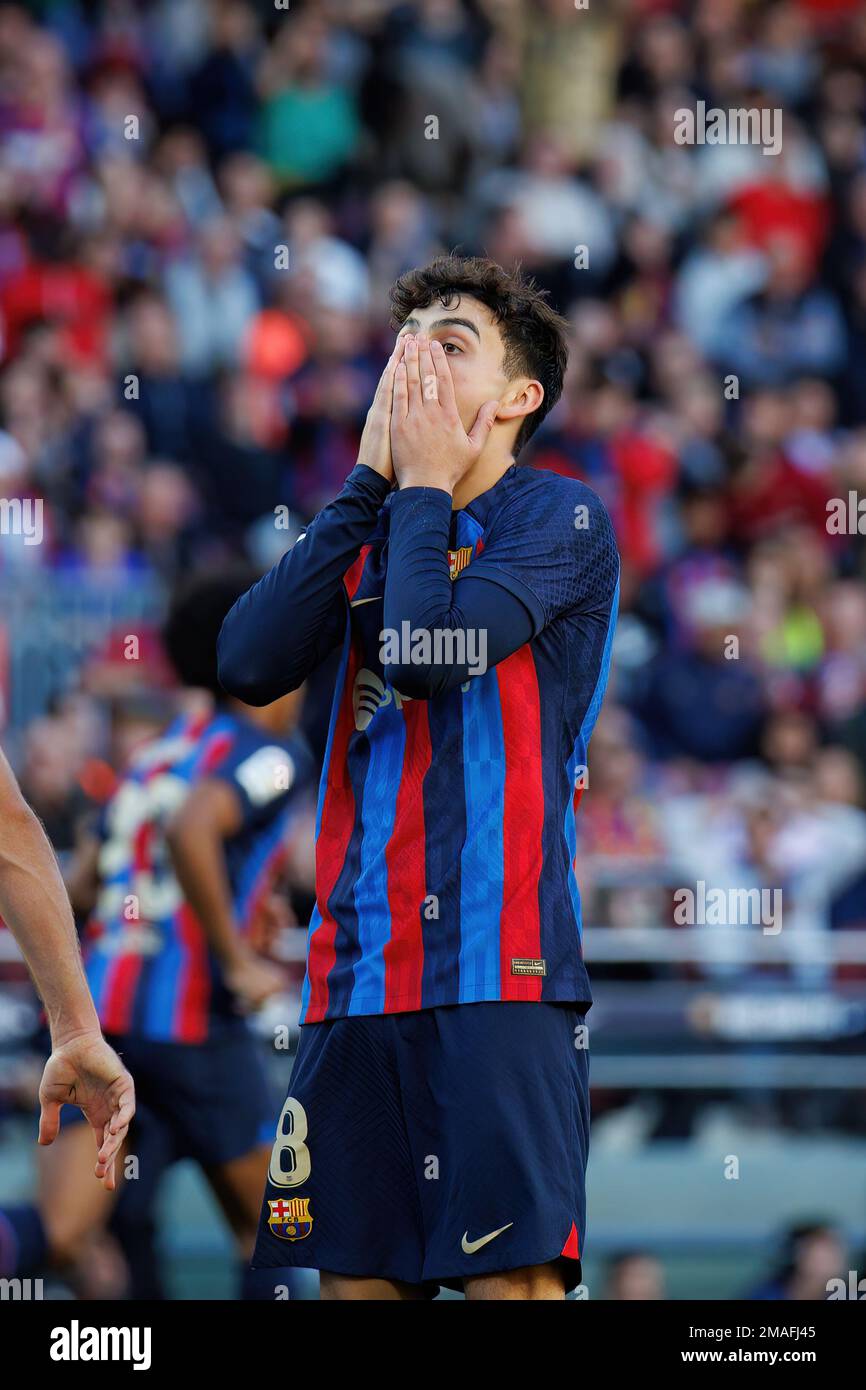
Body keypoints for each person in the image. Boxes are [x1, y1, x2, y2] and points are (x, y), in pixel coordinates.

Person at [219, 255, 620, 1300]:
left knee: (507, 1290)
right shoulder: (370, 522)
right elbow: (246, 662)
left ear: (516, 397)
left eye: (452, 344)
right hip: (353, 976)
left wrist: (427, 486)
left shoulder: (560, 519)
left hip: (501, 972)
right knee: (353, 1291)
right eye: (407, 341)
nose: (416, 359)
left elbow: (420, 655)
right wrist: (366, 487)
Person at [1, 569, 313, 1297]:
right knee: (281, 1237)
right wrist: (233, 957)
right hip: (194, 1025)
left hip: (103, 1017)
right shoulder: (270, 752)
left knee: (66, 1231)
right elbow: (196, 826)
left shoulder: (157, 753)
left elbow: (80, 885)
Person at [0, 746, 134, 1277]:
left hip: (151, 1028)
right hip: (160, 1027)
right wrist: (75, 1028)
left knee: (85, 1242)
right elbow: (8, 830)